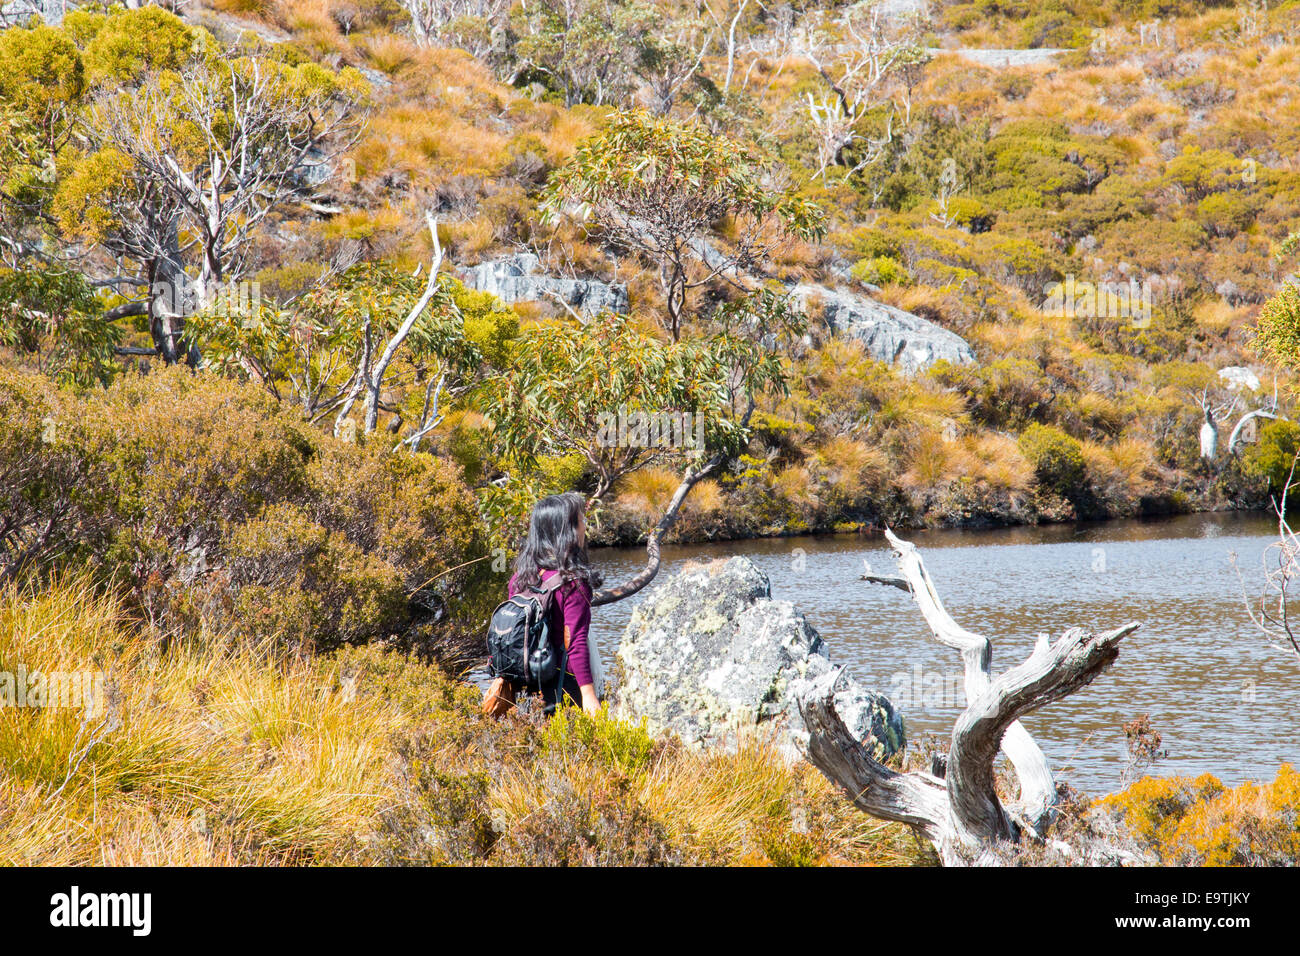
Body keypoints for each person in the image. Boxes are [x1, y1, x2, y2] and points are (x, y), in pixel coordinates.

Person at [507, 491, 603, 716]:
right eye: (581, 521)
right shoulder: (573, 582)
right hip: (564, 687)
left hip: (526, 686)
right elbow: (576, 643)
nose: (584, 527)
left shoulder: (520, 578)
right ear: (566, 532)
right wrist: (589, 696)